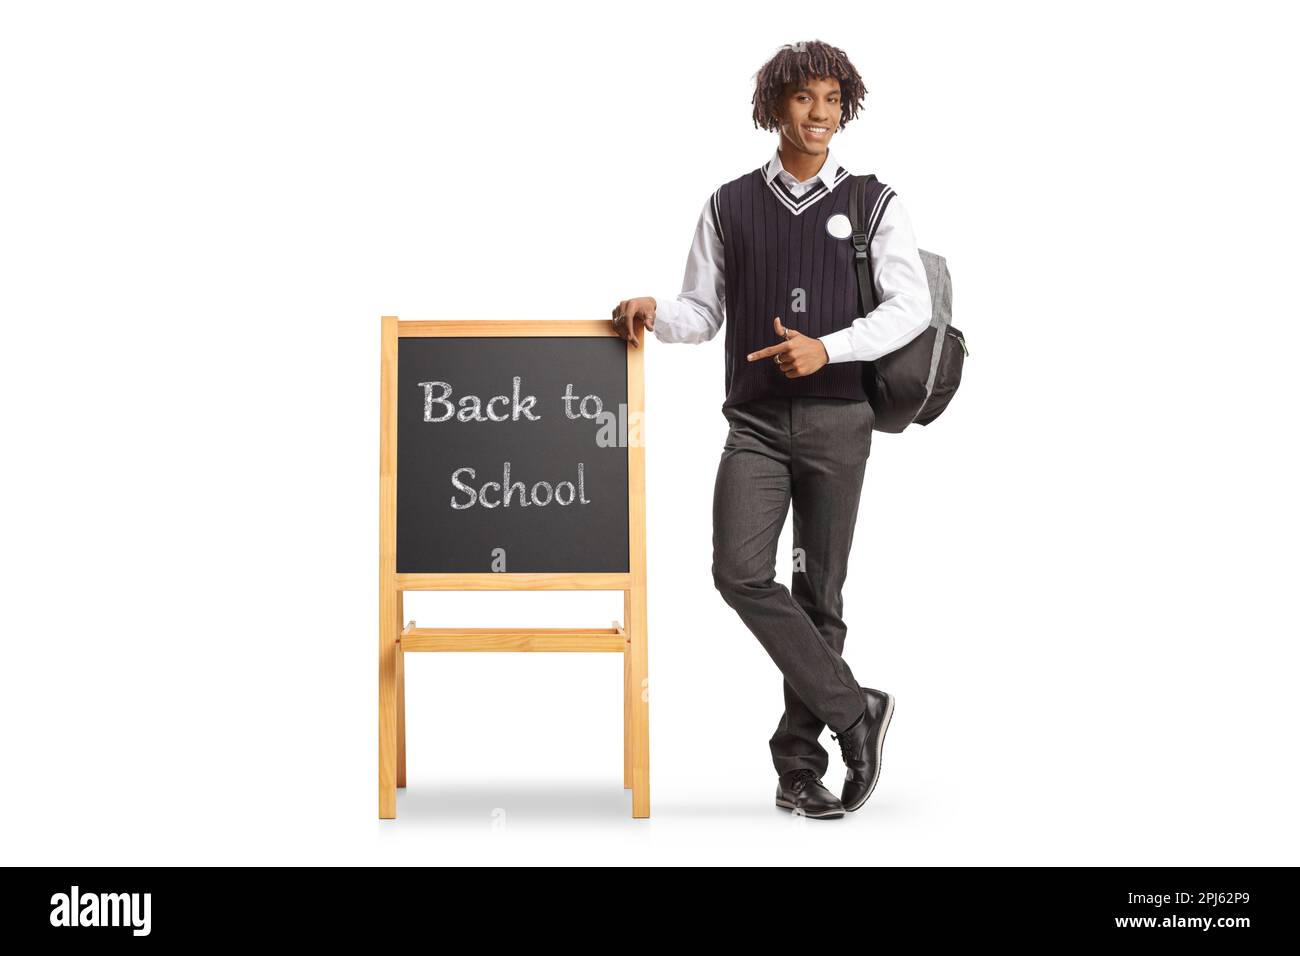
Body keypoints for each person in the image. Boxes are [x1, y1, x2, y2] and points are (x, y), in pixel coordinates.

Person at [611, 40, 932, 819]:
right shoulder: (728, 204)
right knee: (740, 573)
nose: (819, 115)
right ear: (773, 106)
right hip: (753, 423)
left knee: (819, 594)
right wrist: (658, 313)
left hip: (837, 420)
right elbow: (701, 311)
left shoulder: (874, 201)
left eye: (832, 101)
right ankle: (855, 709)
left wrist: (829, 347)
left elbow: (910, 307)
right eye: (803, 99)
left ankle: (798, 769)